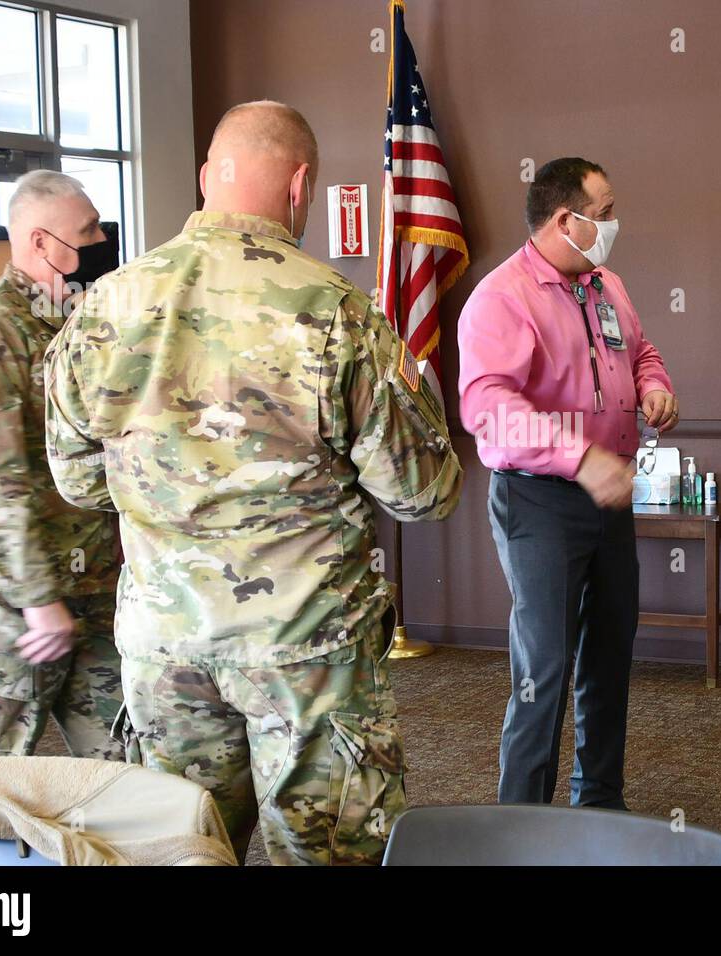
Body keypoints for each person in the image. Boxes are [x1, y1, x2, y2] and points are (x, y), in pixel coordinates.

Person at [44, 100, 462, 865]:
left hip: (164, 652)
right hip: (306, 656)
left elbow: (77, 482)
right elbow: (423, 491)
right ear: (301, 186)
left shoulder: (103, 305)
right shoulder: (338, 311)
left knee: (180, 852)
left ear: (208, 179)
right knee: (328, 855)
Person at [457, 157, 677, 809]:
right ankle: (522, 821)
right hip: (540, 500)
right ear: (566, 220)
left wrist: (655, 388)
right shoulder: (503, 298)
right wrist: (578, 458)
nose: (615, 223)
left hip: (609, 500)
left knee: (609, 655)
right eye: (604, 212)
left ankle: (599, 801)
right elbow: (488, 406)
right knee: (544, 671)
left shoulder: (606, 284)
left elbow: (640, 351)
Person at [0, 169, 122, 759]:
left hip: (91, 585)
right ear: (41, 243)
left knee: (121, 761)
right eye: (86, 232)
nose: (99, 242)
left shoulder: (76, 321)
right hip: (9, 605)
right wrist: (39, 600)